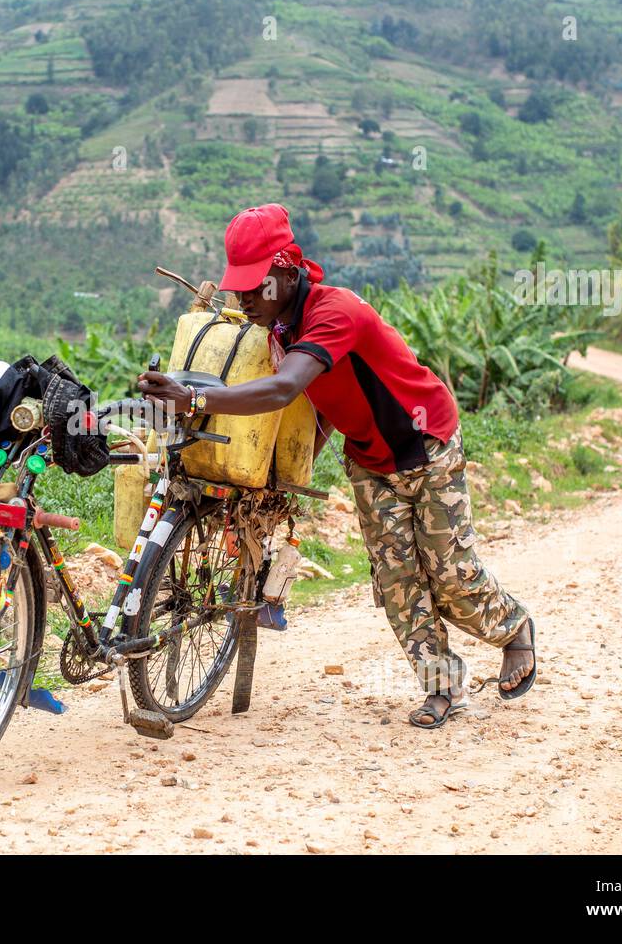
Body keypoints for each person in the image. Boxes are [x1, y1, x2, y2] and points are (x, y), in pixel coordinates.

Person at [138, 203, 537, 728]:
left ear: (286, 268)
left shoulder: (335, 311)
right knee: (397, 581)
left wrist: (191, 398)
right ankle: (443, 687)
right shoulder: (279, 330)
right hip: (369, 459)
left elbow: (284, 390)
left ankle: (514, 629)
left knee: (447, 572)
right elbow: (320, 405)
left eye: (256, 286)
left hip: (425, 444)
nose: (244, 298)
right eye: (239, 287)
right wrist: (289, 478)